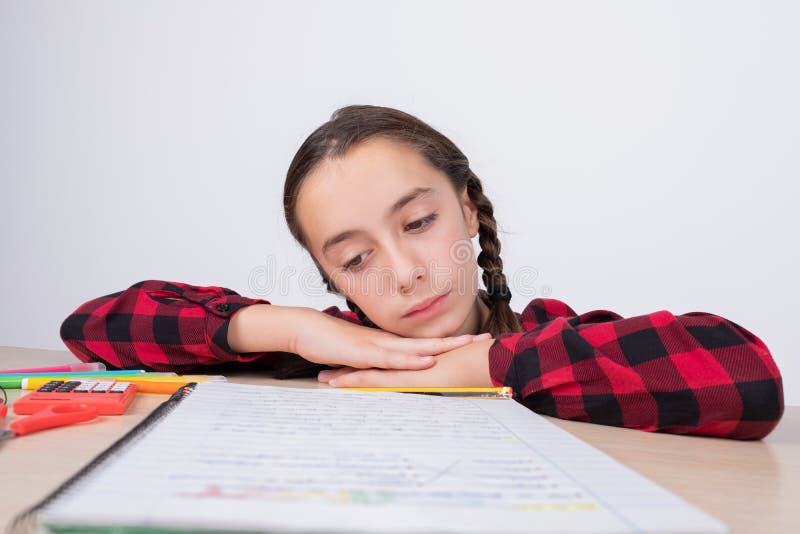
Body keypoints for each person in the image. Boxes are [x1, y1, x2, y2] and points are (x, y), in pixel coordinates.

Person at [59, 105, 783, 440]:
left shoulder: (549, 339)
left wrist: (479, 365)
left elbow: (746, 374)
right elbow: (91, 327)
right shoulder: (325, 358)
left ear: (467, 210)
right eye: (355, 259)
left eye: (418, 223)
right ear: (331, 279)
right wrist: (289, 329)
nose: (403, 274)